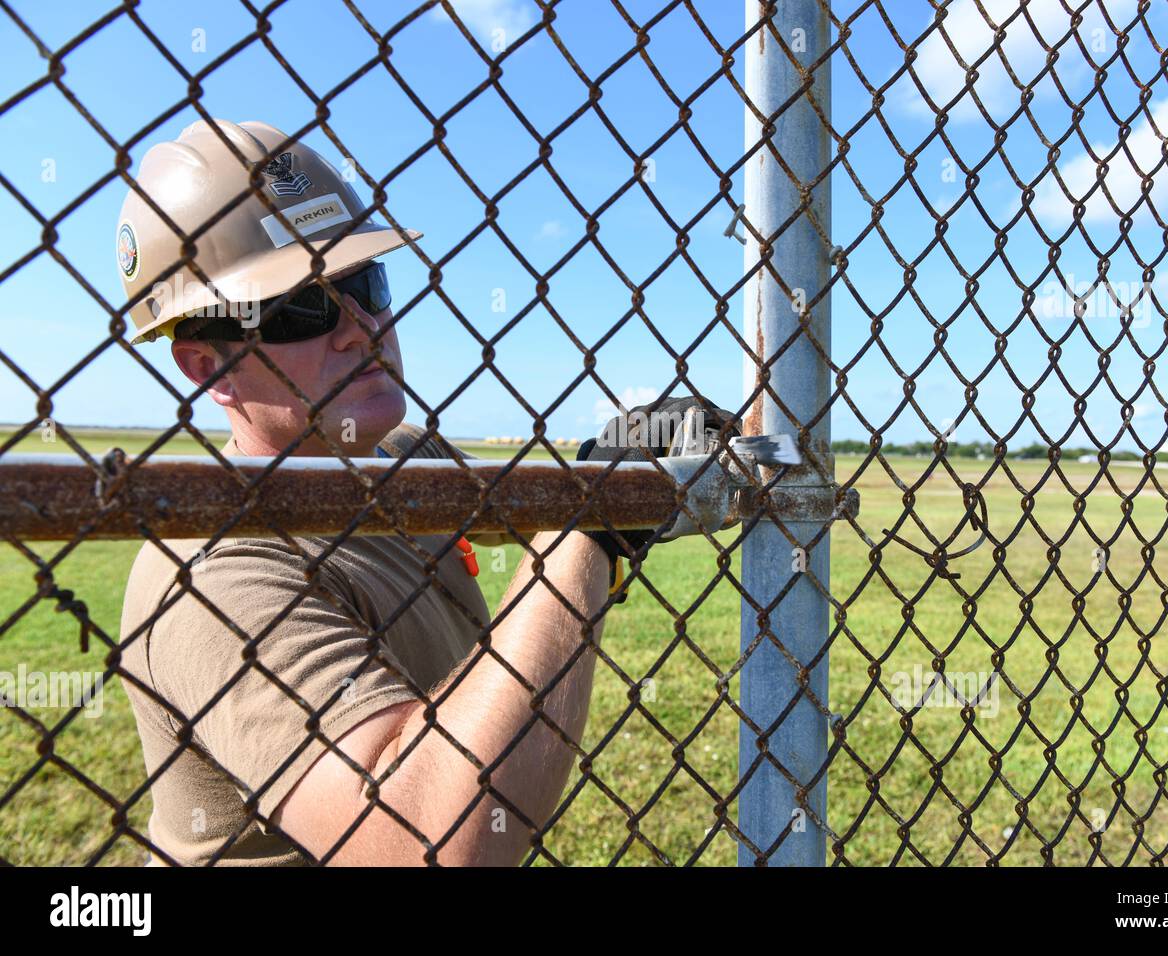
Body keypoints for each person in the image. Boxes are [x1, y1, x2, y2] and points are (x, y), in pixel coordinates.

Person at [114, 119, 731, 865]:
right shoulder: (211, 573)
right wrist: (588, 528)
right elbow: (428, 843)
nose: (362, 326)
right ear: (207, 366)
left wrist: (608, 476)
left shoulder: (408, 458)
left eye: (365, 284)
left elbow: (534, 512)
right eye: (302, 308)